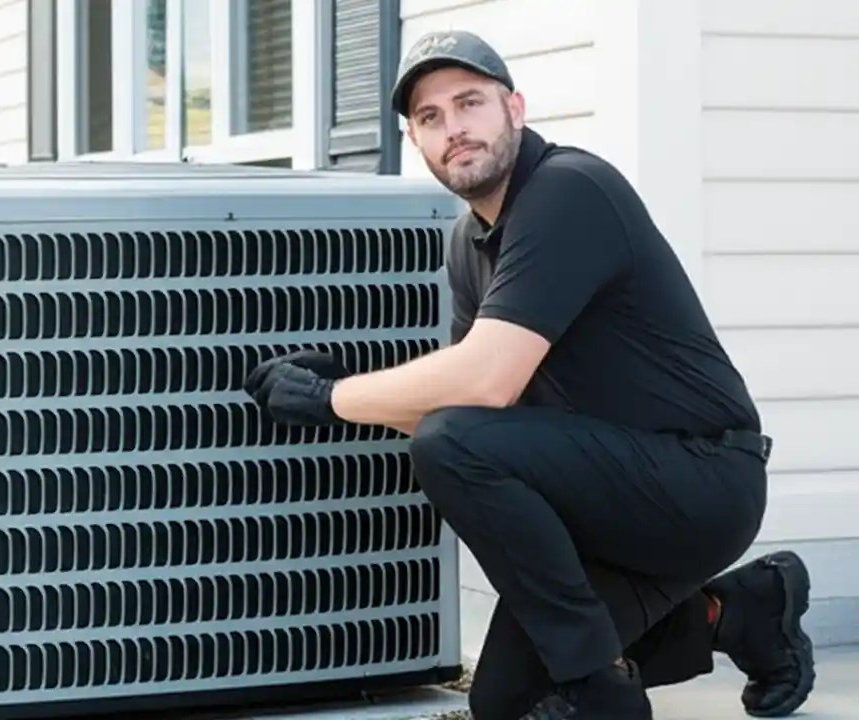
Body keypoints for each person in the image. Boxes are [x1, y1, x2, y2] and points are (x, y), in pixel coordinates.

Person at [242, 29, 815, 720]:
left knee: (453, 444)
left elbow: (481, 388)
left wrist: (332, 399)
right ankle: (740, 612)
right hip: (603, 494)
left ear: (515, 108)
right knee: (506, 702)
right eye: (430, 118)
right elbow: (475, 406)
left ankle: (602, 692)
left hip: (697, 482)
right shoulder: (468, 242)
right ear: (415, 141)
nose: (453, 129)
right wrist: (350, 389)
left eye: (470, 103)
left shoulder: (569, 190)